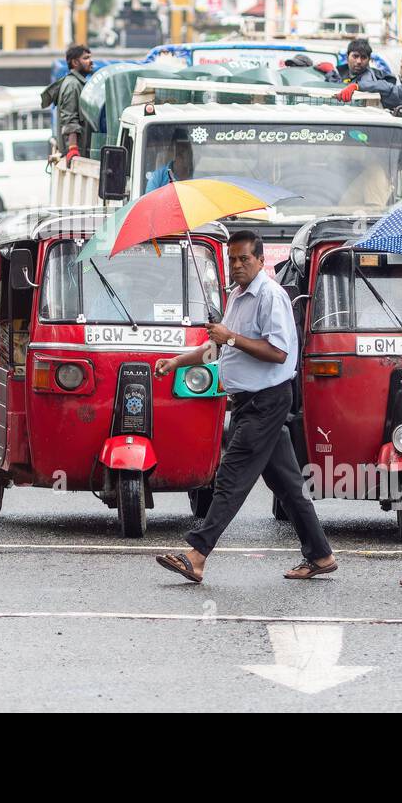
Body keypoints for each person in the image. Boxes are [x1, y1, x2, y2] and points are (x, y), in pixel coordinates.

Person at [153, 230, 337, 584]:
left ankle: (197, 555)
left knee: (230, 478)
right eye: (232, 259)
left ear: (260, 260)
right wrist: (177, 361)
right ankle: (321, 554)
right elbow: (221, 349)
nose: (237, 265)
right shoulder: (237, 296)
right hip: (247, 402)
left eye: (244, 259)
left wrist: (230, 336)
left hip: (266, 401)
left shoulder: (271, 296)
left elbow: (278, 352)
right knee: (287, 486)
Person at [42, 44, 94, 164]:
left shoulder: (79, 84)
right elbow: (70, 118)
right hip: (78, 153)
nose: (91, 61)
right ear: (75, 62)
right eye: (86, 58)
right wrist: (73, 148)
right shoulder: (72, 85)